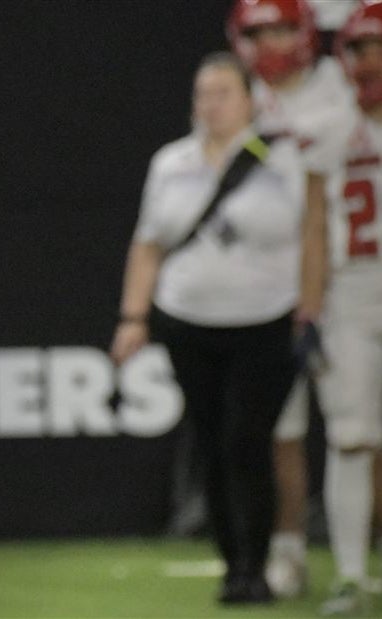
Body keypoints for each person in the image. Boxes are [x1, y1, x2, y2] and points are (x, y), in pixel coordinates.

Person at [110, 51, 307, 605]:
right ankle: (233, 566)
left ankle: (258, 562)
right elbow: (148, 244)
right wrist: (134, 317)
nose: (211, 105)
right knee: (213, 442)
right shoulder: (172, 163)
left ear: (250, 100)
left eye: (223, 93)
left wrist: (310, 309)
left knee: (249, 439)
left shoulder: (283, 160)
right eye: (203, 94)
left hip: (265, 323)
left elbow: (313, 237)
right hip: (189, 324)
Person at [225, 0, 356, 599]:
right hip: (276, 283)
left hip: (352, 275)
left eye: (281, 27)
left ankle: (357, 562)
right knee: (281, 428)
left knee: (362, 432)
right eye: (259, 31)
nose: (272, 42)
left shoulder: (345, 82)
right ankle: (289, 549)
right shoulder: (244, 94)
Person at [304, 3, 382, 613]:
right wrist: (308, 309)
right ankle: (352, 574)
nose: (369, 61)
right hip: (350, 294)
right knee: (350, 437)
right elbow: (311, 227)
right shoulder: (329, 126)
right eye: (359, 48)